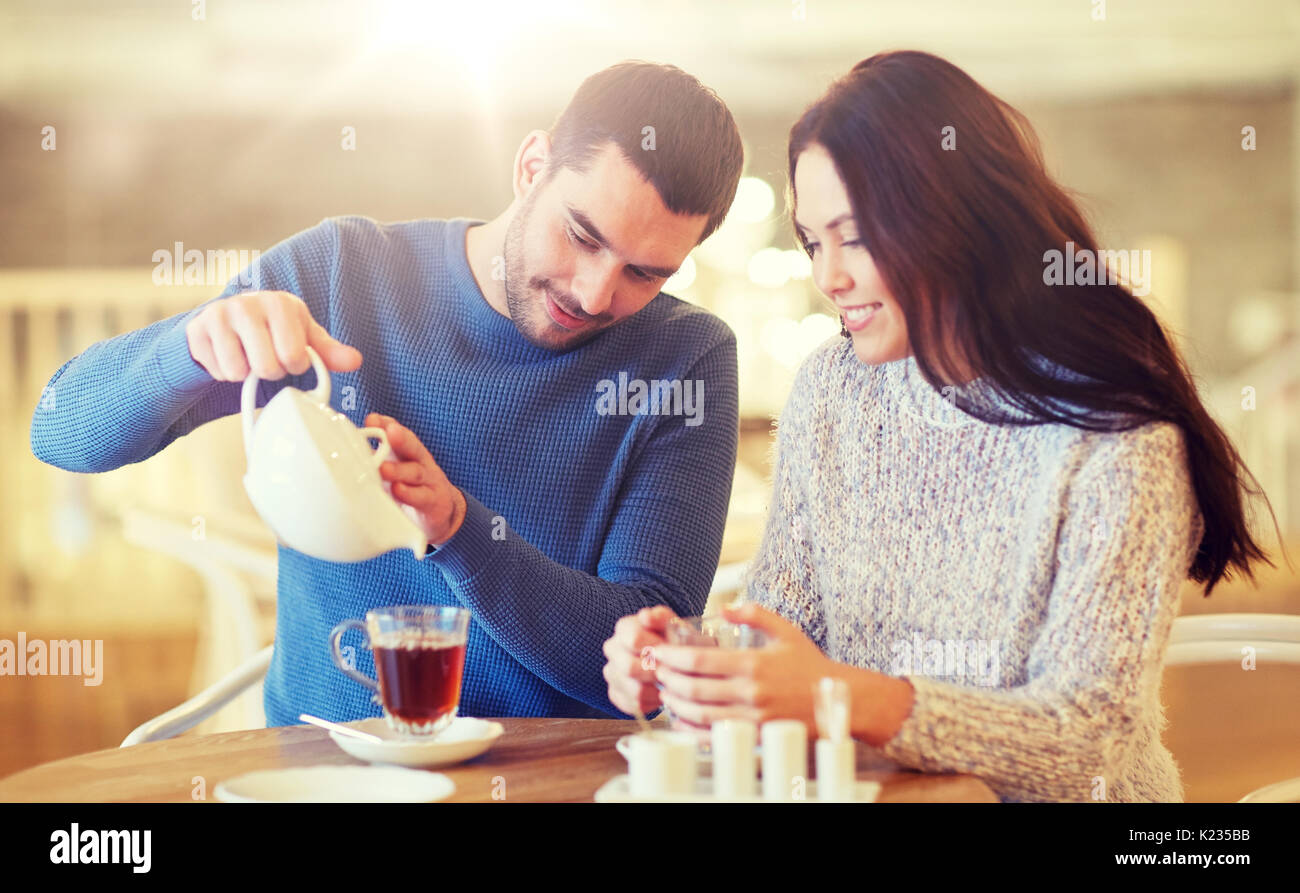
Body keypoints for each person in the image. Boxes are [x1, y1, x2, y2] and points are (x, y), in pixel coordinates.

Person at [601, 50, 1281, 802]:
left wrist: (840, 694)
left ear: (954, 218)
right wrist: (690, 658)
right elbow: (782, 630)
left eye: (853, 236)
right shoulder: (834, 389)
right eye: (812, 241)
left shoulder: (1115, 433)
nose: (828, 277)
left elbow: (1084, 737)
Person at [31, 61, 744, 725]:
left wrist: (460, 530)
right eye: (582, 235)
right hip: (324, 769)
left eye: (645, 274)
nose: (594, 293)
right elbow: (60, 432)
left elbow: (642, 661)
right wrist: (190, 347)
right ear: (531, 168)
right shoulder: (340, 275)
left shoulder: (686, 359)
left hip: (551, 780)